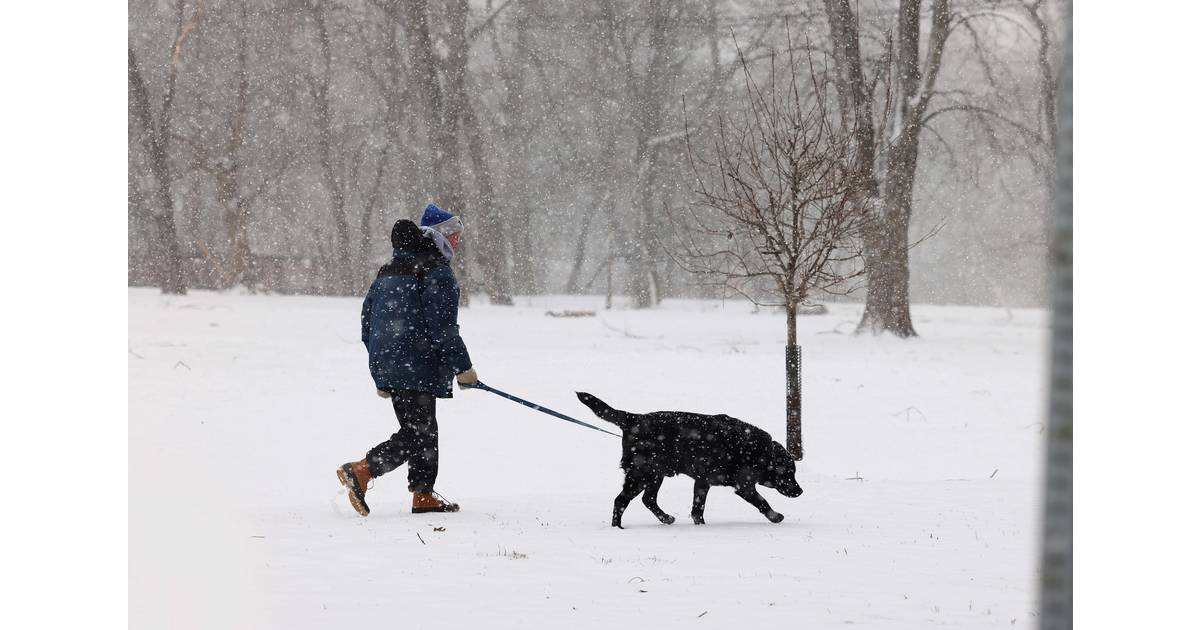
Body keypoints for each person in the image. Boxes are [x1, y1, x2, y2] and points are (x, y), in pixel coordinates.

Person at [337, 204, 479, 516]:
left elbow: (368, 323)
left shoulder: (388, 270)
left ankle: (423, 494)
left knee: (420, 430)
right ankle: (362, 470)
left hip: (392, 362)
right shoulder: (436, 272)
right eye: (453, 235)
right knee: (419, 433)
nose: (457, 241)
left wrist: (383, 368)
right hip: (418, 362)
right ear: (438, 236)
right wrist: (463, 369)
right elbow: (443, 329)